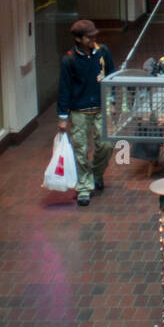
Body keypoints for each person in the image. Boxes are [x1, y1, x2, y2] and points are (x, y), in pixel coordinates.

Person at [57, 19, 116, 207]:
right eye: (89, 37)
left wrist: (112, 100)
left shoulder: (103, 52)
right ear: (78, 38)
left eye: (94, 36)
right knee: (81, 150)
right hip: (79, 111)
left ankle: (95, 174)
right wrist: (63, 116)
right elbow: (64, 88)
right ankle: (84, 187)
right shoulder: (69, 60)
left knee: (107, 144)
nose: (93, 39)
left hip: (101, 107)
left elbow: (112, 75)